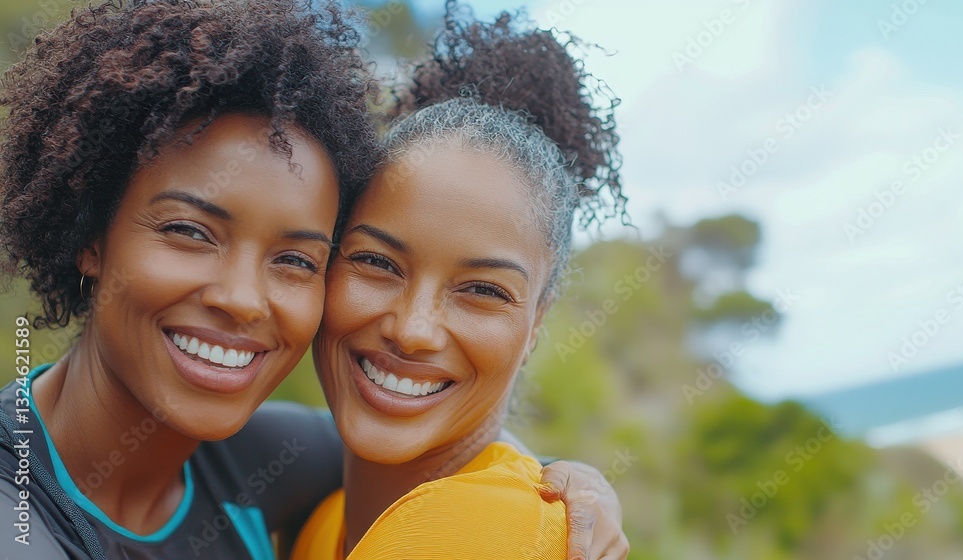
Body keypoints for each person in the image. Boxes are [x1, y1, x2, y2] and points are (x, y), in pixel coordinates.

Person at [0, 1, 624, 558]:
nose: (242, 299)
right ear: (91, 234)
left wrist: (564, 485)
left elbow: (437, 442)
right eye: (190, 232)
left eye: (296, 260)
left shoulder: (252, 462)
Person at [292, 3, 629, 559]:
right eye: (377, 262)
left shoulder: (486, 531)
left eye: (484, 290)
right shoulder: (325, 520)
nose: (413, 330)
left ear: (537, 324)